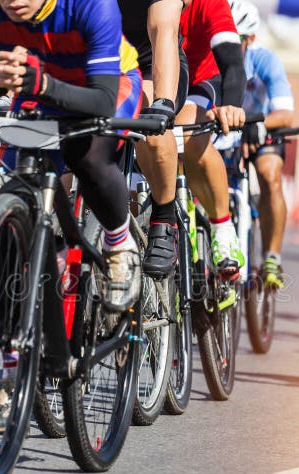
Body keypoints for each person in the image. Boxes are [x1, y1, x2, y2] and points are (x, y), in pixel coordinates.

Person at [0, 0, 146, 432]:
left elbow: (100, 97)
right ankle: (12, 366)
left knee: (87, 156)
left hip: (105, 88)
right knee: (7, 219)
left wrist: (41, 82)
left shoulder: (92, 6)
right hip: (36, 97)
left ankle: (117, 243)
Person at [227, 0, 295, 289]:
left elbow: (287, 114)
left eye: (236, 40)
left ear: (250, 39)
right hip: (225, 131)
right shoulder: (211, 55)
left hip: (262, 127)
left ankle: (271, 257)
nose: (226, 46)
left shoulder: (265, 60)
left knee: (269, 174)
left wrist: (259, 125)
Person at [177, 0, 248, 277]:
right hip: (154, 80)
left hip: (201, 82)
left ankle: (222, 228)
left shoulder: (209, 3)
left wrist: (230, 105)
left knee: (192, 135)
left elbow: (232, 62)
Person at [118, 0, 188, 278]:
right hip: (99, 63)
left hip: (150, 64)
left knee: (151, 127)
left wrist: (163, 101)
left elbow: (164, 29)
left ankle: (164, 219)